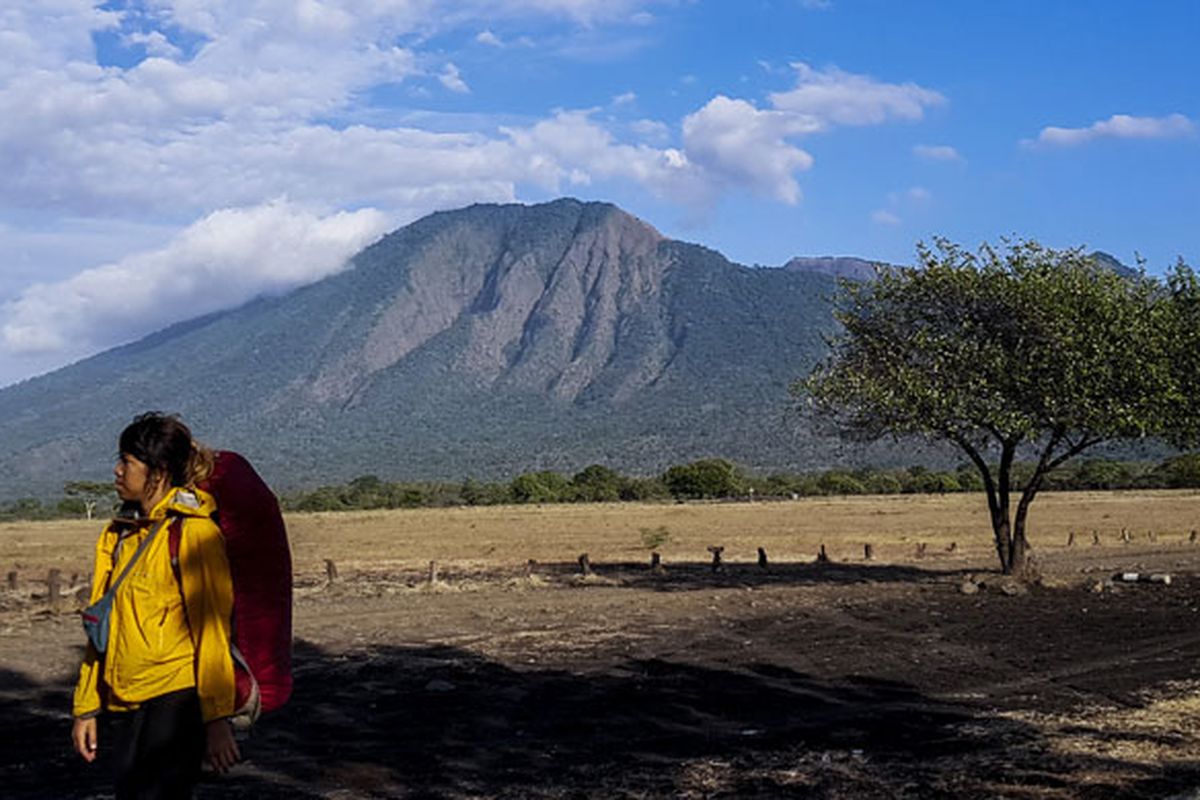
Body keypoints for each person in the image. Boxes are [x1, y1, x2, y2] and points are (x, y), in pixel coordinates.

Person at [71, 412, 240, 798]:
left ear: (158, 471)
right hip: (123, 696)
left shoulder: (194, 533)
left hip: (176, 697)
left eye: (127, 461)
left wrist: (217, 719)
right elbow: (102, 626)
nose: (116, 471)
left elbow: (212, 630)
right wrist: (86, 707)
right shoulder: (116, 536)